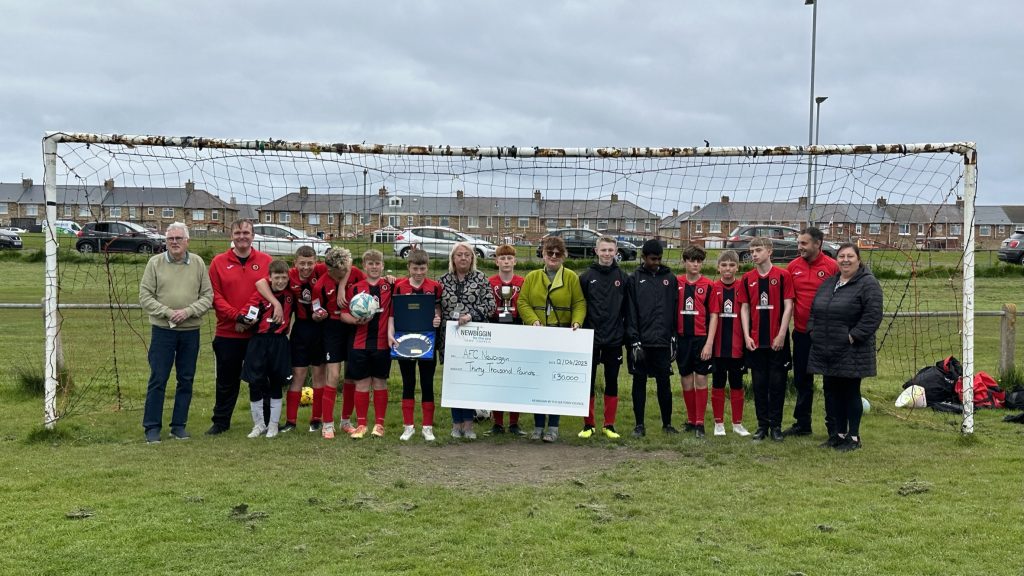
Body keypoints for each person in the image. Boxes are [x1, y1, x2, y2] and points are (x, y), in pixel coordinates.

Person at [138, 222, 213, 443]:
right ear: (165, 241)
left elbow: (207, 296)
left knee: (186, 379)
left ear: (187, 241)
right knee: (158, 379)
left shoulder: (198, 263)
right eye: (170, 239)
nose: (174, 242)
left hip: (190, 331)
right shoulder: (155, 263)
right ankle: (152, 427)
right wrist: (168, 312)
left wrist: (188, 311)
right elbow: (145, 296)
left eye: (179, 238)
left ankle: (178, 426)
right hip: (163, 331)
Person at [807, 243, 883, 452]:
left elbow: (873, 315)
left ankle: (854, 436)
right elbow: (815, 309)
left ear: (858, 259)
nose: (845, 260)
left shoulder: (868, 284)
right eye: (841, 256)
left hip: (852, 350)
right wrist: (813, 330)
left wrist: (853, 336)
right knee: (831, 391)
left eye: (850, 256)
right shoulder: (830, 283)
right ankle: (838, 434)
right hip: (827, 349)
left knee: (850, 391)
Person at [207, 219, 273, 436]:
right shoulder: (218, 262)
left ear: (253, 236)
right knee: (226, 381)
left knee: (261, 379)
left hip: (258, 332)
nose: (242, 236)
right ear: (231, 236)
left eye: (246, 232)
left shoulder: (266, 261)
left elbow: (264, 292)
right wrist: (237, 317)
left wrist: (246, 317)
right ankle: (221, 422)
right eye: (238, 232)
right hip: (228, 332)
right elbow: (215, 296)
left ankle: (265, 422)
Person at [254, 245, 329, 433]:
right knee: (298, 375)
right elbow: (260, 284)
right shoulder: (291, 275)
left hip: (321, 328)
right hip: (301, 329)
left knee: (319, 375)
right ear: (295, 263)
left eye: (310, 263)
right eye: (302, 263)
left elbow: (347, 268)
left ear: (316, 262)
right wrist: (276, 305)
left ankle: (316, 419)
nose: (306, 267)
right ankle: (291, 421)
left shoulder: (321, 270)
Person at [519, 236, 586, 443]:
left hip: (561, 336)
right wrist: (533, 321)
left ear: (564, 255)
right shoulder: (531, 277)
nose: (554, 257)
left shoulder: (572, 277)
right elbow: (522, 302)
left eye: (558, 253)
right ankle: (538, 426)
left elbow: (579, 303)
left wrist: (576, 322)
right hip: (537, 336)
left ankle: (554, 427)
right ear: (543, 255)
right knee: (538, 382)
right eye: (550, 253)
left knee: (555, 383)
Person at [738, 237, 794, 442]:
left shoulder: (783, 275)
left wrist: (781, 333)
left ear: (769, 251)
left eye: (758, 250)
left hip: (777, 341)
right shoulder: (747, 278)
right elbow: (744, 308)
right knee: (759, 384)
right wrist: (746, 335)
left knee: (777, 384)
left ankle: (776, 427)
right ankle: (762, 426)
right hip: (755, 341)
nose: (754, 254)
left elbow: (789, 306)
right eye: (751, 250)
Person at [438, 242, 496, 440]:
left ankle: (469, 425)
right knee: (454, 381)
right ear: (453, 258)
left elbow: (490, 305)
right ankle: (456, 424)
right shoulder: (443, 280)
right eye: (459, 255)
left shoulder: (480, 279)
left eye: (467, 255)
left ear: (472, 258)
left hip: (474, 338)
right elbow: (437, 306)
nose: (463, 258)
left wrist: (470, 315)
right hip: (450, 340)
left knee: (470, 381)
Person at [784, 226, 838, 438]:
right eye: (798, 243)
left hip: (826, 335)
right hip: (801, 333)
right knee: (802, 380)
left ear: (818, 244)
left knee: (830, 381)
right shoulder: (792, 267)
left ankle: (833, 427)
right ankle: (802, 423)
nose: (800, 247)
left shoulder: (832, 267)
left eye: (804, 243)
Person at [624, 239, 679, 438]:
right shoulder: (634, 279)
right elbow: (630, 312)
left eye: (659, 259)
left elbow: (673, 310)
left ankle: (667, 424)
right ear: (643, 257)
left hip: (662, 341)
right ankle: (639, 425)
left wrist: (673, 337)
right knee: (639, 383)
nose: (656, 262)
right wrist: (634, 340)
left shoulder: (670, 279)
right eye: (652, 259)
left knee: (664, 383)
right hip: (641, 342)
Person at [389, 249, 442, 442]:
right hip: (405, 341)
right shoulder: (399, 286)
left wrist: (438, 319)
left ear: (427, 267)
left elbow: (437, 310)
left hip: (427, 340)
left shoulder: (435, 287)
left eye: (422, 268)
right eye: (415, 268)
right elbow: (393, 314)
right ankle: (408, 426)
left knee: (427, 384)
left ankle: (427, 427)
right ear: (408, 267)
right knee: (408, 383)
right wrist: (391, 334)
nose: (419, 272)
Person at [310, 248, 364, 438]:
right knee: (333, 375)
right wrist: (318, 315)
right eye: (342, 270)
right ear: (330, 270)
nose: (347, 271)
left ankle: (346, 421)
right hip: (331, 330)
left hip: (353, 328)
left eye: (348, 268)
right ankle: (327, 424)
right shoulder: (320, 286)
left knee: (350, 376)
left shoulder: (355, 273)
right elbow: (315, 312)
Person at [341, 249, 394, 439]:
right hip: (359, 343)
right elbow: (344, 314)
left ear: (382, 265)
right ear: (364, 266)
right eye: (370, 263)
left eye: (377, 263)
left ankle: (379, 424)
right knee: (362, 383)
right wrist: (355, 321)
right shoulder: (355, 288)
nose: (374, 266)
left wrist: (392, 278)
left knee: (379, 382)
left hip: (381, 344)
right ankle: (361, 424)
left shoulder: (390, 286)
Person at [578, 236, 627, 439]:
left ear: (616, 252)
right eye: (603, 250)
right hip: (590, 337)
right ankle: (589, 424)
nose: (607, 254)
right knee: (587, 382)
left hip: (614, 339)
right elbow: (580, 306)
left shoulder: (624, 277)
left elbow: (627, 309)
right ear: (596, 251)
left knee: (611, 381)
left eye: (610, 250)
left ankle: (609, 424)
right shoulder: (586, 277)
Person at [239, 260, 295, 438]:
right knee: (255, 383)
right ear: (269, 278)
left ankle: (273, 425)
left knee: (276, 383)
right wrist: (247, 320)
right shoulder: (261, 295)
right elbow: (245, 316)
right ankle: (259, 424)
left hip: (279, 342)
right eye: (277, 277)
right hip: (259, 342)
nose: (280, 281)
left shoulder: (290, 295)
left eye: (284, 277)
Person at [708, 250, 750, 437]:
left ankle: (737, 423)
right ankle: (719, 423)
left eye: (731, 265)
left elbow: (746, 314)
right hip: (718, 347)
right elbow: (713, 317)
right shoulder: (714, 288)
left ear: (737, 267)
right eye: (724, 265)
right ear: (718, 267)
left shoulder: (742, 287)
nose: (728, 269)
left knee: (736, 384)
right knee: (718, 383)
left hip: (737, 346)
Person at [486, 244, 526, 436]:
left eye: (510, 258)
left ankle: (514, 422)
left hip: (516, 327)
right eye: (502, 258)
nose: (506, 261)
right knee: (497, 374)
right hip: (496, 327)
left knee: (515, 375)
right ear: (496, 262)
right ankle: (498, 422)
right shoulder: (490, 282)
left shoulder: (523, 282)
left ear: (515, 261)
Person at [675, 245, 715, 438]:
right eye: (692, 260)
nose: (695, 264)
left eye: (699, 261)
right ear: (685, 261)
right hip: (682, 338)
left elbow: (714, 316)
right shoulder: (676, 283)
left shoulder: (708, 285)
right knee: (686, 379)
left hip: (701, 339)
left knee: (700, 377)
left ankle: (700, 423)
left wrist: (709, 343)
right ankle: (691, 420)